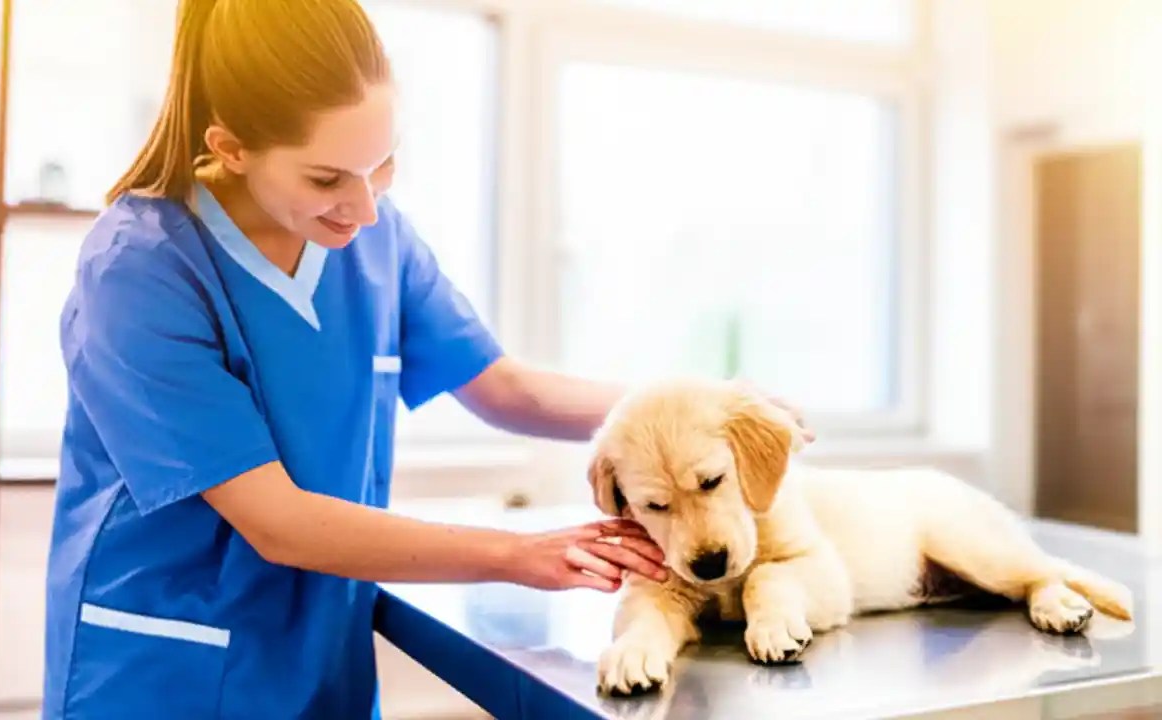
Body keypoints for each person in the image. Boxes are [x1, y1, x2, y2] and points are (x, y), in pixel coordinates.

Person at [42, 1, 809, 717]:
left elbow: (503, 388)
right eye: (327, 178)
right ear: (230, 148)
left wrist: (705, 409)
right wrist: (516, 554)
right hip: (169, 670)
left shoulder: (372, 238)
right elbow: (276, 523)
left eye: (383, 165)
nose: (366, 206)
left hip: (321, 655)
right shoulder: (140, 271)